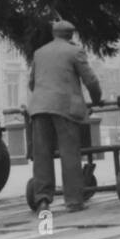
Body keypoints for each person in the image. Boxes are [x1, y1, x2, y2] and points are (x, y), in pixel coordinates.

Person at [28, 19, 103, 213]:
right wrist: (96, 100)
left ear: (54, 33)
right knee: (70, 153)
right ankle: (74, 200)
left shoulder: (39, 52)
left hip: (39, 107)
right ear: (71, 35)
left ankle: (43, 198)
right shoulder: (74, 51)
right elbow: (91, 80)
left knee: (42, 154)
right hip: (64, 108)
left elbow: (32, 82)